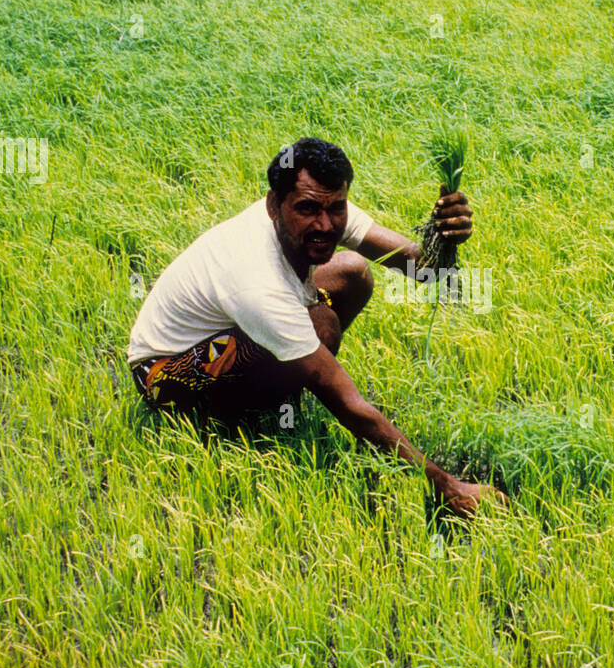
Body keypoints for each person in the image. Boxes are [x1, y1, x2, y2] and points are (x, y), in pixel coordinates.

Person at [126, 136, 504, 518]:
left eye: (335, 208)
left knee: (352, 272)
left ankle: (277, 392)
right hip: (165, 377)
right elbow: (345, 400)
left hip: (222, 338)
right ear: (274, 205)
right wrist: (446, 485)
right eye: (307, 209)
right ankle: (243, 420)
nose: (324, 224)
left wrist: (446, 236)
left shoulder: (323, 206)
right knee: (319, 325)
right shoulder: (255, 279)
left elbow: (421, 269)